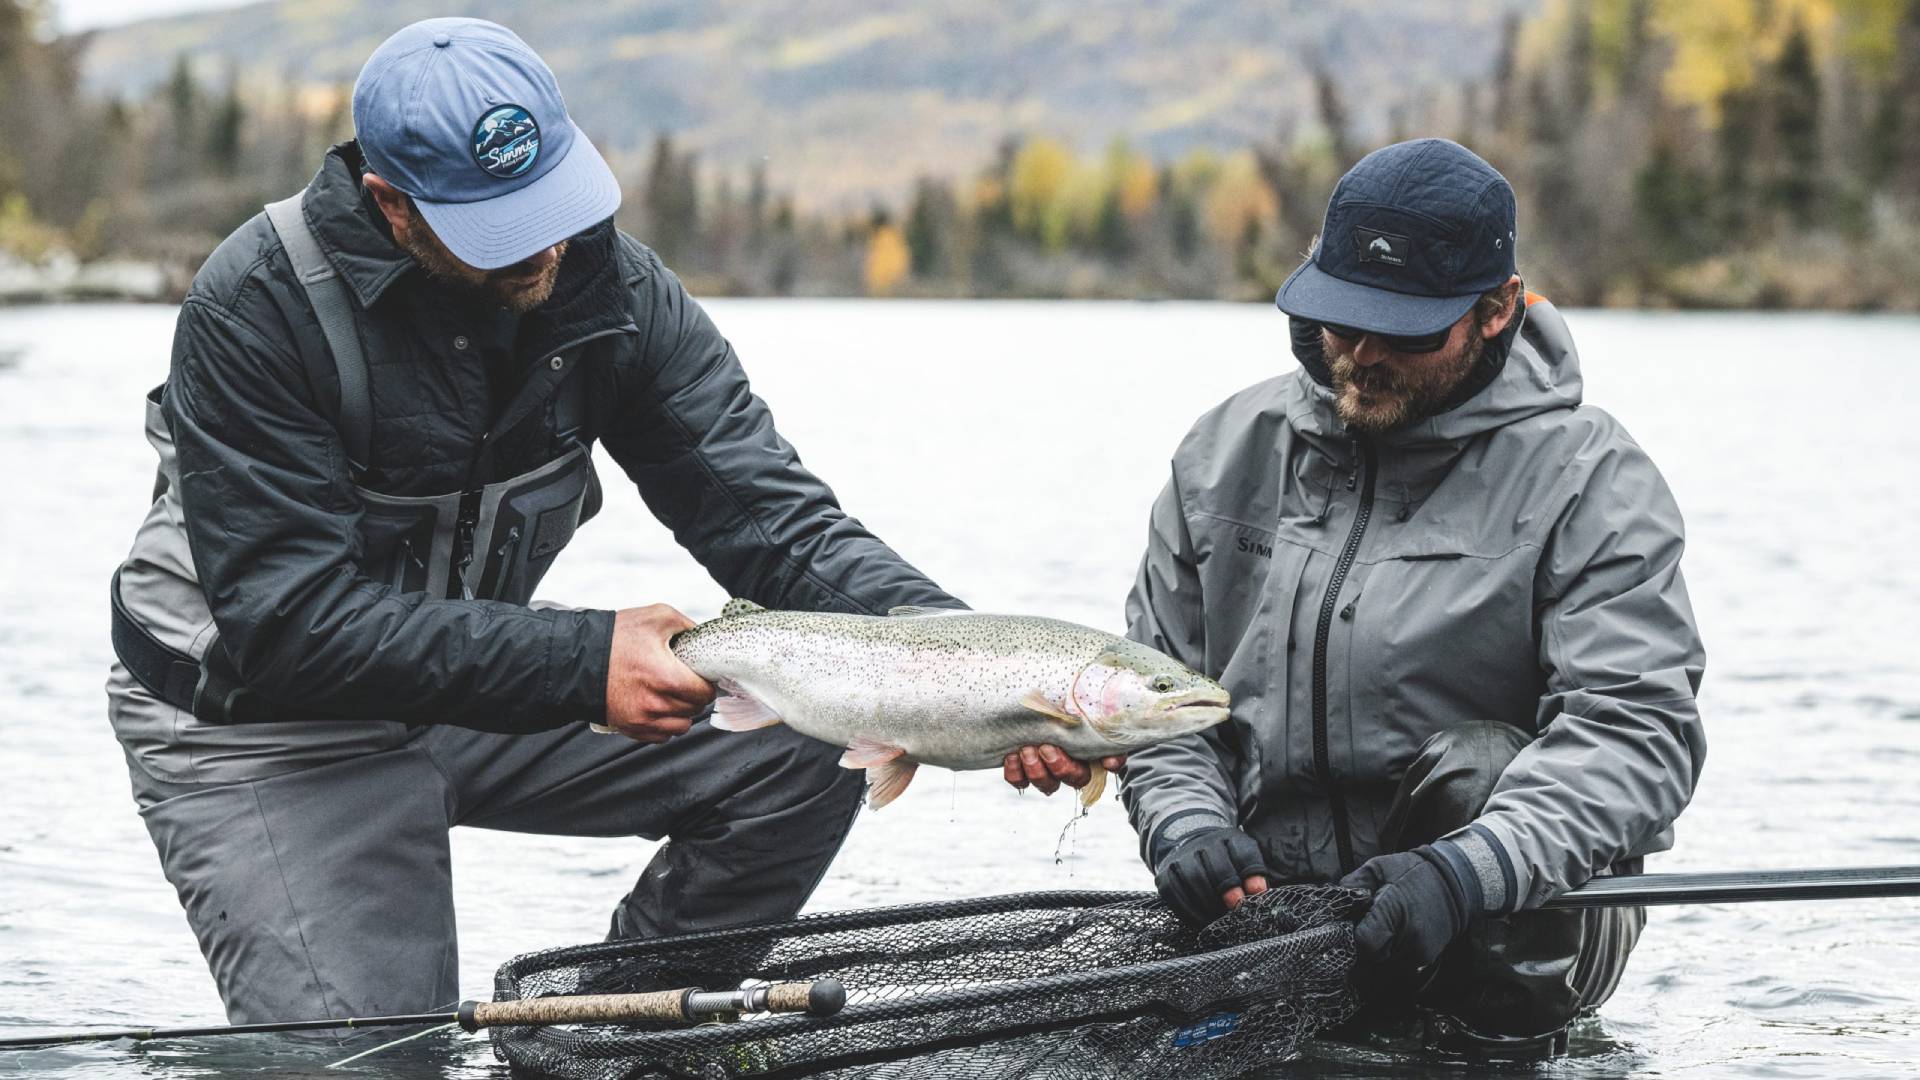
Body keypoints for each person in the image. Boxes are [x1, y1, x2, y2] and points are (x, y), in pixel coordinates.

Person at [107, 17, 980, 1029]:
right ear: (392, 204)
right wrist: (582, 662)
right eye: (500, 226)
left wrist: (963, 667)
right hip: (257, 724)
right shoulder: (255, 305)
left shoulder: (614, 290)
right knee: (385, 1057)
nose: (547, 245)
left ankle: (607, 1037)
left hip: (460, 681)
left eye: (551, 199)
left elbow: (772, 524)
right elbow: (292, 624)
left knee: (802, 736)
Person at [1109, 138, 1706, 1058]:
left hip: (1509, 906)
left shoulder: (1595, 480)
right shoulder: (1221, 453)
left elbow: (1637, 734)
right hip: (1278, 910)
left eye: (1409, 331)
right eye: (1341, 320)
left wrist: (1464, 872)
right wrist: (1188, 827)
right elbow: (1157, 694)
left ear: (1498, 309)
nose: (1363, 354)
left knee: (1476, 768)